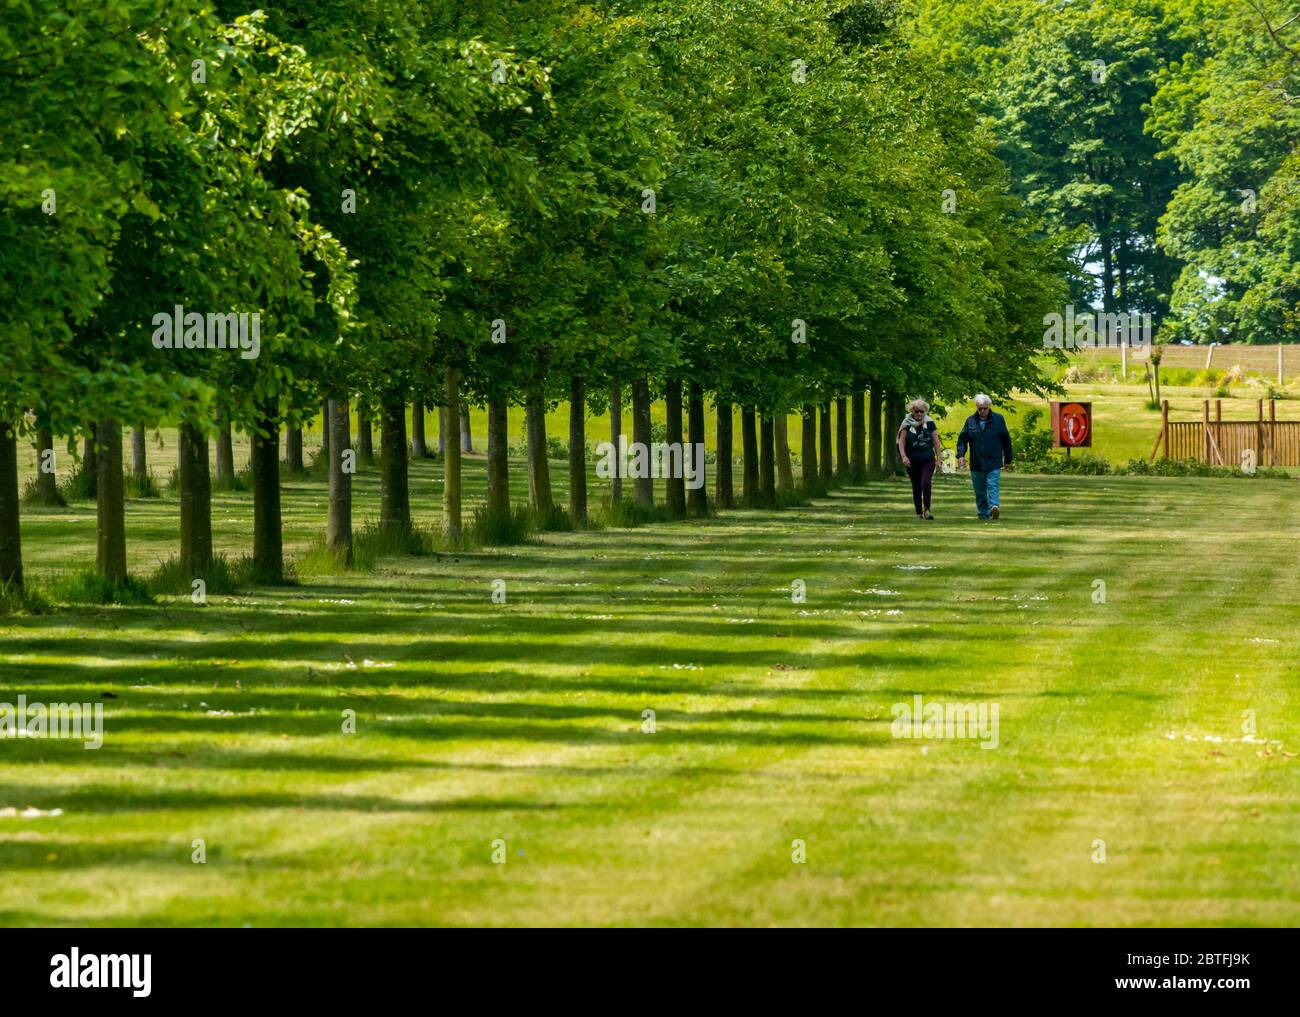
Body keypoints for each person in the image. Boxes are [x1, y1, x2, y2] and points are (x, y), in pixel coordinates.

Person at [955, 394, 1012, 520]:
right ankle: (983, 513)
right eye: (980, 408)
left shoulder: (998, 419)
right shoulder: (970, 421)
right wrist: (960, 455)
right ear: (976, 407)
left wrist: (1008, 459)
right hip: (976, 461)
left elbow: (1006, 440)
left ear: (989, 407)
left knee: (992, 485)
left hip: (993, 460)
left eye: (984, 408)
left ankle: (994, 506)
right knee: (979, 489)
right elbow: (962, 439)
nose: (982, 411)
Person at [898, 399, 941, 520]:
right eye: (916, 411)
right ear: (912, 411)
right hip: (912, 460)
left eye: (922, 411)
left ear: (925, 411)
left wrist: (938, 460)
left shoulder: (930, 423)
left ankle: (927, 509)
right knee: (916, 485)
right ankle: (918, 512)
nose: (919, 414)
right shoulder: (906, 423)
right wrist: (904, 456)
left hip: (927, 459)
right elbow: (901, 442)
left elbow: (936, 442)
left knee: (926, 483)